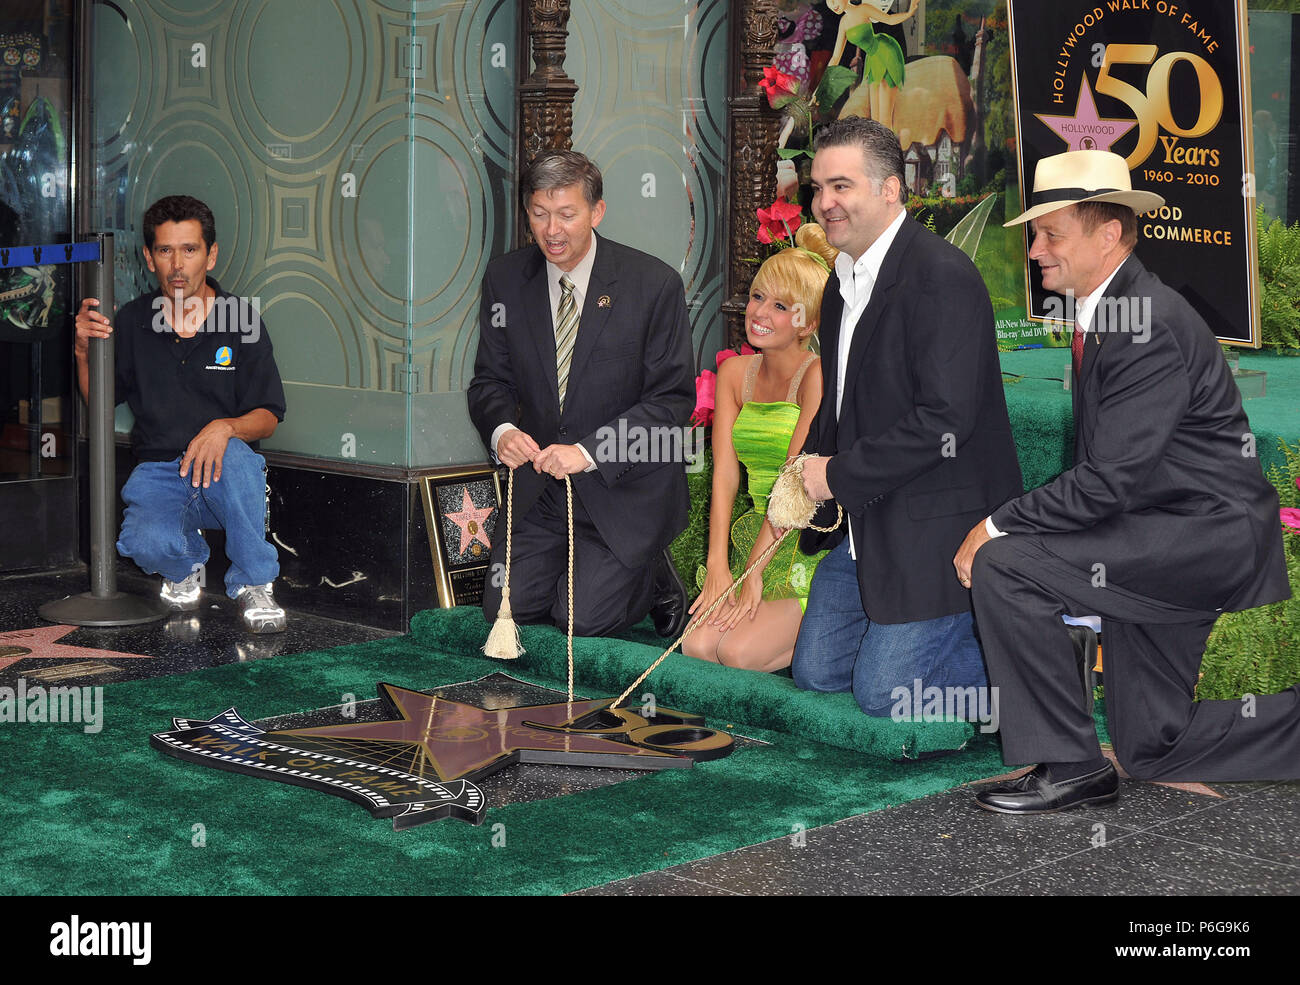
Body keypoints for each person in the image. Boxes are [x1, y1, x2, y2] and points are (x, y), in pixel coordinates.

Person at [954, 150, 1296, 814]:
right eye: (1035, 233)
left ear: (1108, 233)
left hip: (1193, 540)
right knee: (1153, 746)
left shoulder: (1147, 324)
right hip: (1155, 536)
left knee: (1004, 562)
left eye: (1052, 233)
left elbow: (1106, 480)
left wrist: (995, 524)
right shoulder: (1115, 312)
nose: (1035, 250)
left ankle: (1072, 765)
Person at [793, 116, 1022, 715]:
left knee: (884, 696)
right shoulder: (841, 282)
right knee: (815, 674)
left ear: (891, 189)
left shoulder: (942, 276)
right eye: (817, 188)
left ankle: (1030, 677)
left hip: (937, 524)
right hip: (864, 520)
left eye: (841, 186)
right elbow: (843, 403)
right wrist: (808, 470)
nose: (824, 203)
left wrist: (837, 475)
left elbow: (945, 421)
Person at [467, 151, 695, 638]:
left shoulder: (653, 285)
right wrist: (503, 430)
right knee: (507, 608)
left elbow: (672, 402)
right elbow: (490, 380)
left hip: (624, 487)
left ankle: (653, 572)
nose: (552, 230)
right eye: (539, 213)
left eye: (567, 214)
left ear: (597, 212)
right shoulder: (506, 279)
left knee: (579, 618)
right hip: (543, 486)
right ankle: (589, 570)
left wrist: (589, 453)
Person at [74, 195, 287, 633]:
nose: (177, 264)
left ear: (210, 254)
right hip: (160, 471)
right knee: (139, 543)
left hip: (227, 473)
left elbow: (269, 415)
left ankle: (254, 583)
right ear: (150, 257)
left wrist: (223, 428)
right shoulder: (132, 321)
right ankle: (184, 565)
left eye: (189, 250)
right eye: (165, 250)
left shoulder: (240, 319)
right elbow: (101, 403)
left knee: (236, 457)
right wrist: (82, 354)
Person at [682, 223, 835, 671]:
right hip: (752, 531)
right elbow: (725, 476)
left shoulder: (817, 376)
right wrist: (718, 565)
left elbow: (793, 489)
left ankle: (825, 635)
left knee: (736, 652)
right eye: (757, 297)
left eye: (781, 305)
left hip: (802, 539)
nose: (759, 312)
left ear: (807, 321)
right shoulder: (735, 374)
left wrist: (754, 574)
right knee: (696, 646)